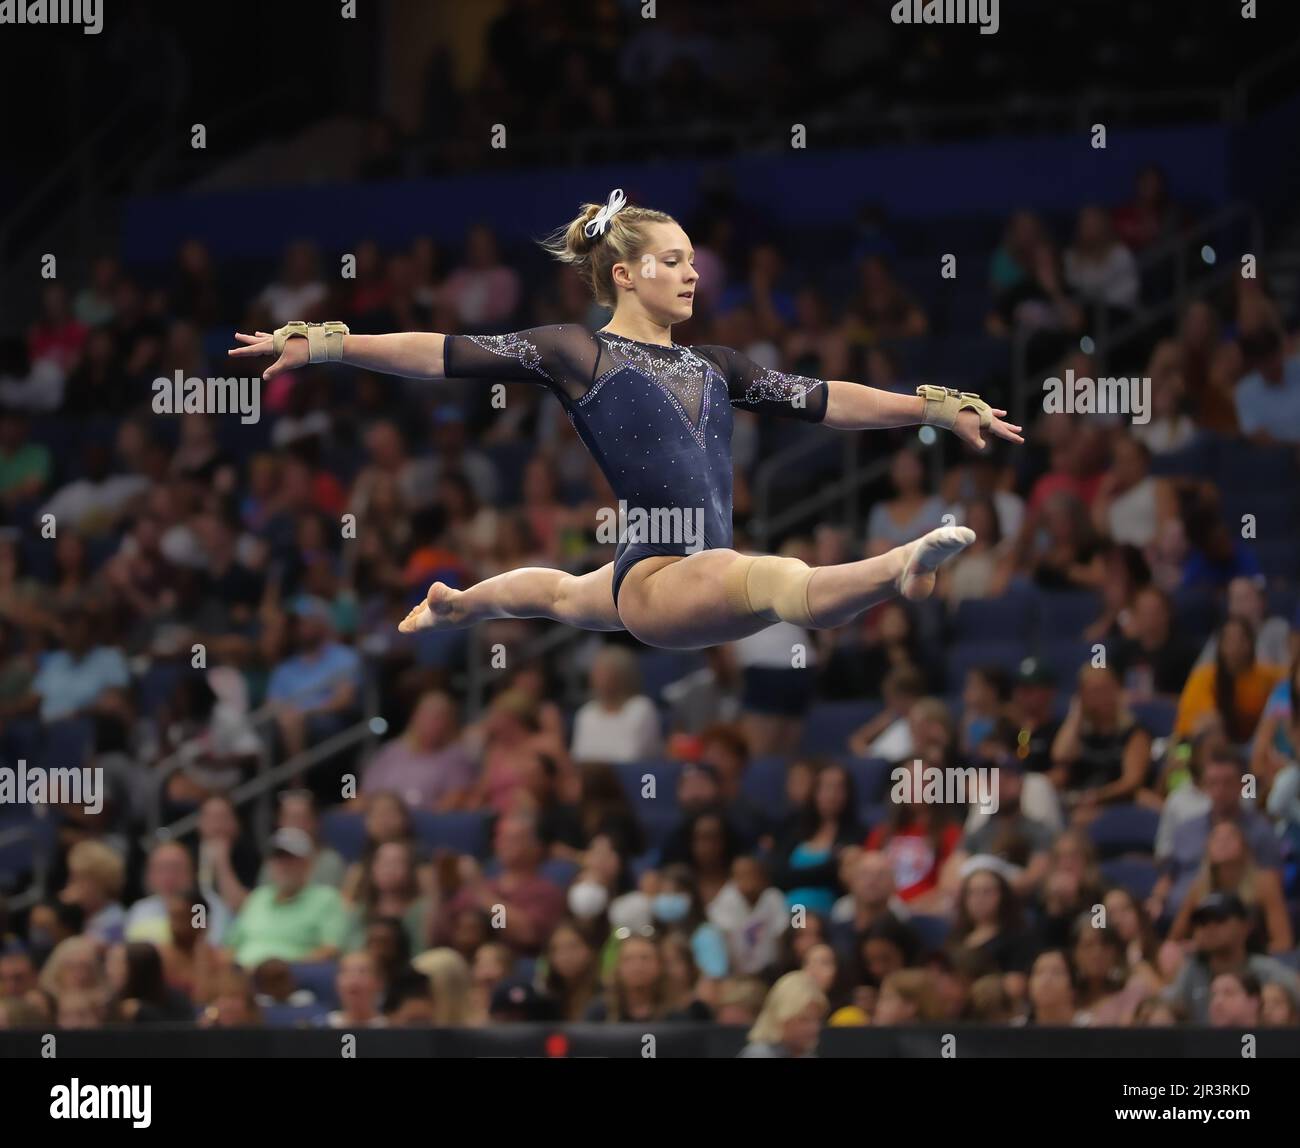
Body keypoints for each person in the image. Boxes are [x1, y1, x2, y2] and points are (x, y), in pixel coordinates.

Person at [229, 190, 1022, 653]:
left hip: (656, 580)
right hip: (657, 579)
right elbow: (442, 351)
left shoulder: (717, 365)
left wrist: (935, 404)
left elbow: (824, 398)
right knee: (778, 576)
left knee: (566, 596)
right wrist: (329, 342)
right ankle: (900, 568)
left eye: (692, 260)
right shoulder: (578, 352)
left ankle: (457, 602)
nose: (691, 273)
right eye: (673, 261)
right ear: (623, 274)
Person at [221, 828, 352, 968]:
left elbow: (331, 950)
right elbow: (230, 947)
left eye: (289, 859)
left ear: (307, 864)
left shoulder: (327, 899)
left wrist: (281, 971)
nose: (282, 866)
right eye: (277, 859)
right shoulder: (258, 897)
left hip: (290, 980)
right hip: (241, 977)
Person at [1161, 893, 1300, 1025]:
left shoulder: (1268, 972)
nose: (1209, 927)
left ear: (1245, 926)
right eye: (1202, 922)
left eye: (1219, 920)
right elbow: (1165, 1006)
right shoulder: (1192, 970)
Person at [738, 970, 827, 1057]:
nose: (814, 1028)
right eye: (804, 1019)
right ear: (780, 1018)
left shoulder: (808, 1055)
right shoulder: (759, 1054)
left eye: (817, 1019)